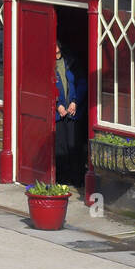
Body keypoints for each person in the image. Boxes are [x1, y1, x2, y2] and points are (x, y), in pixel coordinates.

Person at [54, 41, 84, 187]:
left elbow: (81, 83)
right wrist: (57, 104)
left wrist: (74, 101)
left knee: (73, 145)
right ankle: (62, 179)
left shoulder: (70, 62)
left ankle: (76, 178)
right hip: (58, 114)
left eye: (56, 43)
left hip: (72, 111)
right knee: (60, 147)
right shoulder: (46, 64)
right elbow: (44, 86)